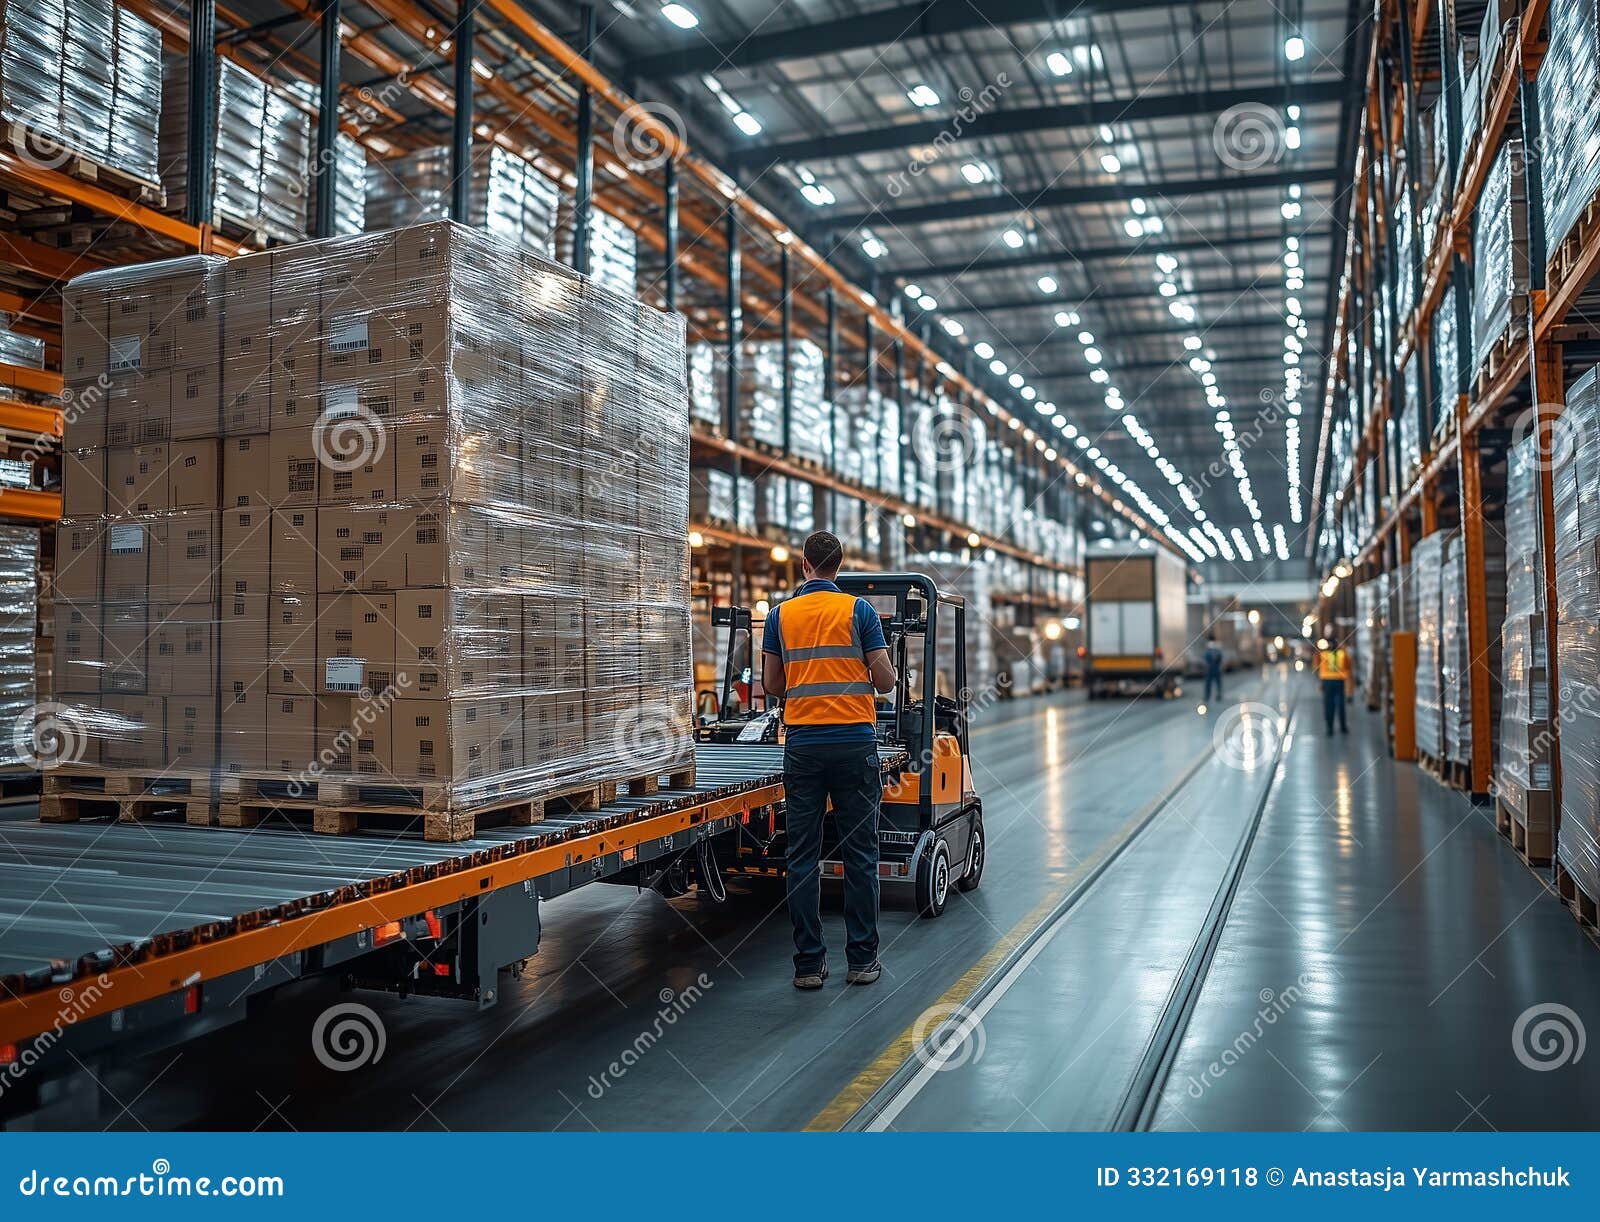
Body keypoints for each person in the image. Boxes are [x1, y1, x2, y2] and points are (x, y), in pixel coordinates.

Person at [762, 531, 898, 990]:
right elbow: (884, 683)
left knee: (801, 856)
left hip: (803, 745)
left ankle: (808, 965)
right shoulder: (860, 611)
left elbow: (772, 685)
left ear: (804, 566)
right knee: (860, 855)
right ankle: (861, 961)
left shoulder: (780, 615)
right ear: (839, 567)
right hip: (854, 745)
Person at [1318, 632, 1351, 736]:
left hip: (1327, 682)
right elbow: (1348, 664)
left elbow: (1317, 665)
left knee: (1329, 705)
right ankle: (1343, 727)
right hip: (1339, 681)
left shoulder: (1323, 654)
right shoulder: (1342, 654)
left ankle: (1329, 728)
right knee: (1340, 704)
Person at [1202, 635, 1224, 704]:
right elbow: (1220, 658)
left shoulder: (1209, 648)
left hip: (1211, 668)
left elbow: (1206, 658)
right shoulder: (1217, 648)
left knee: (1209, 683)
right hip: (1215, 668)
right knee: (1217, 683)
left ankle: (1207, 696)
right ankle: (1218, 695)